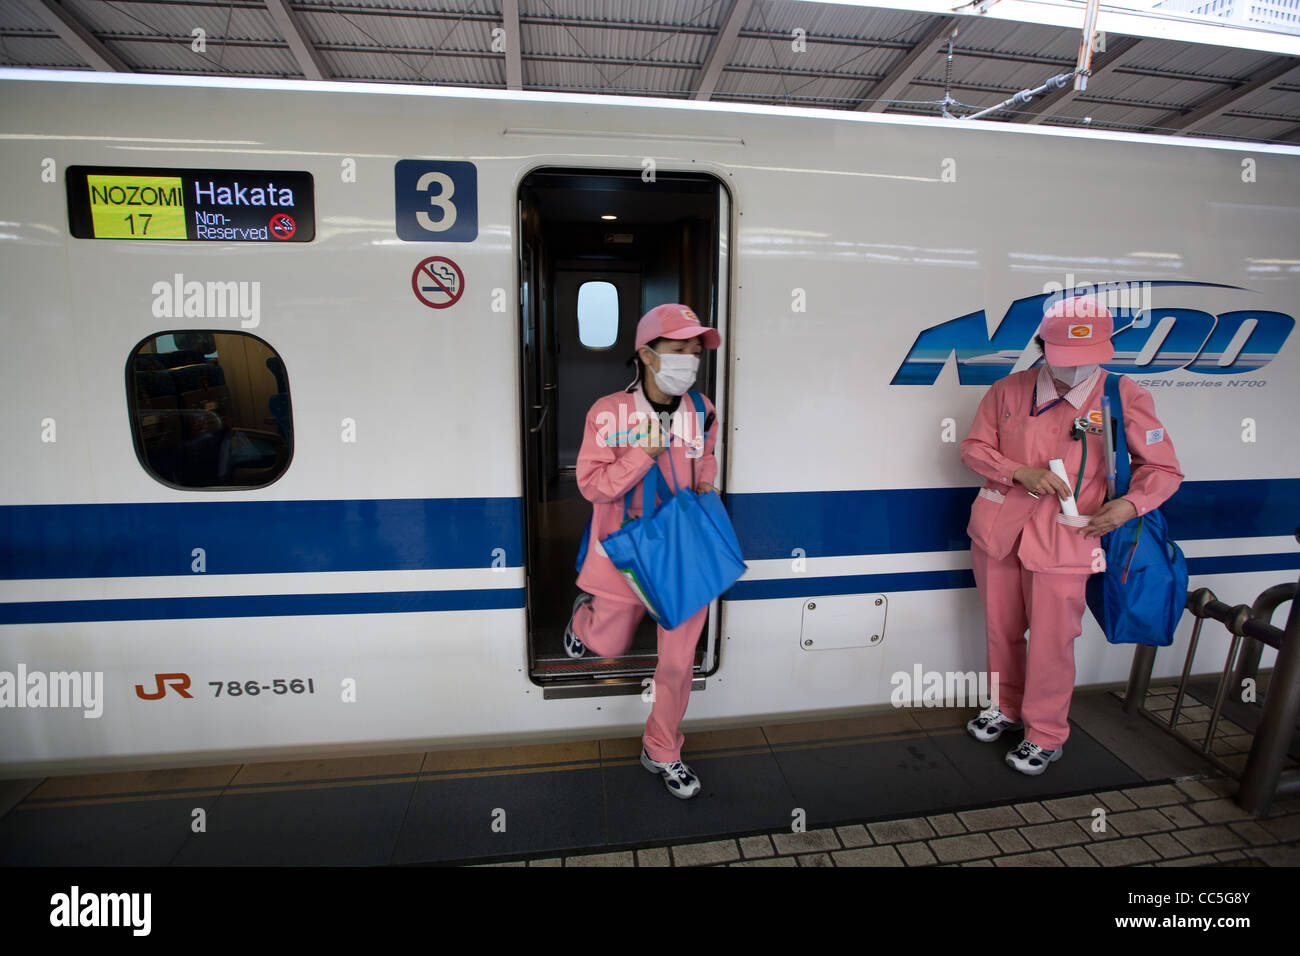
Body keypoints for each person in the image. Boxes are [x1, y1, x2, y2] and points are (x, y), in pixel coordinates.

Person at [959, 296, 1183, 775]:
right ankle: (1007, 707)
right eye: (1065, 357)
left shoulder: (1123, 395)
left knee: (1052, 639)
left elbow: (1162, 469)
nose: (1077, 369)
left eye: (1089, 357)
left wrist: (1127, 505)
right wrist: (1019, 472)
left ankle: (1045, 733)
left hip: (1069, 535)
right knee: (1001, 628)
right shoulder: (1008, 390)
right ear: (1042, 345)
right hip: (999, 531)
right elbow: (974, 448)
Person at [564, 303, 721, 799]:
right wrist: (642, 453)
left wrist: (706, 489)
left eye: (695, 351)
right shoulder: (607, 412)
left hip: (681, 552)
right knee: (607, 646)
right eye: (678, 350)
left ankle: (662, 748)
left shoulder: (702, 409)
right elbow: (592, 487)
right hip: (622, 553)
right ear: (648, 355)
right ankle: (582, 621)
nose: (689, 361)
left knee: (677, 663)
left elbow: (706, 460)